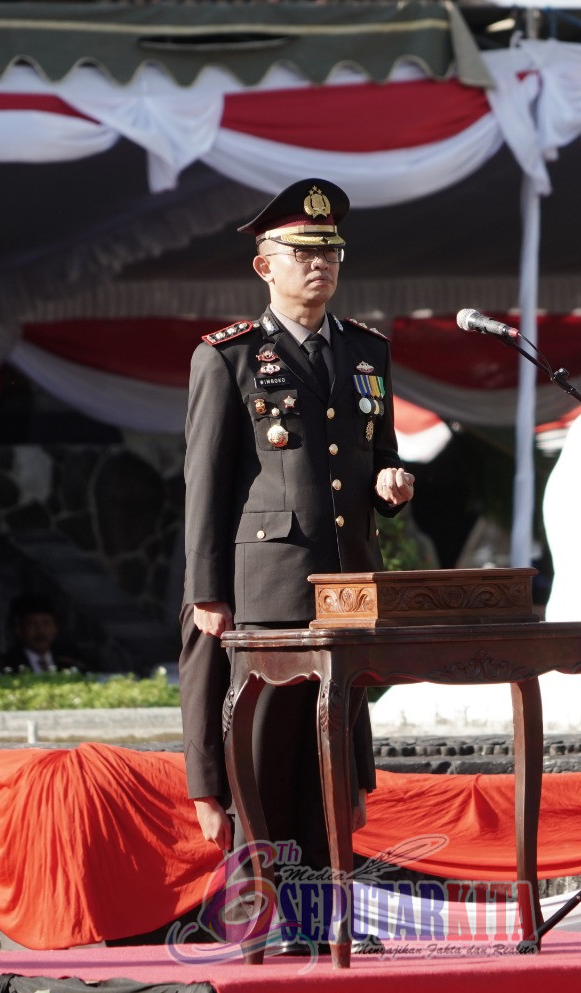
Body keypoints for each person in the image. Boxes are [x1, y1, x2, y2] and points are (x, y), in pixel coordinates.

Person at [179, 178, 416, 936]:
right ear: (265, 268)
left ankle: (324, 918)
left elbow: (378, 455)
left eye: (332, 252)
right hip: (269, 588)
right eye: (305, 252)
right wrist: (206, 591)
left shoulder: (366, 349)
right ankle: (258, 918)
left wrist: (393, 483)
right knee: (266, 754)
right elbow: (206, 486)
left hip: (348, 586)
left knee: (331, 761)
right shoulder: (231, 359)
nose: (321, 265)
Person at [8, 593, 83, 672]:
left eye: (46, 623)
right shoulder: (8, 665)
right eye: (32, 624)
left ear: (55, 628)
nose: (40, 630)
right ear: (19, 630)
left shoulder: (69, 661)